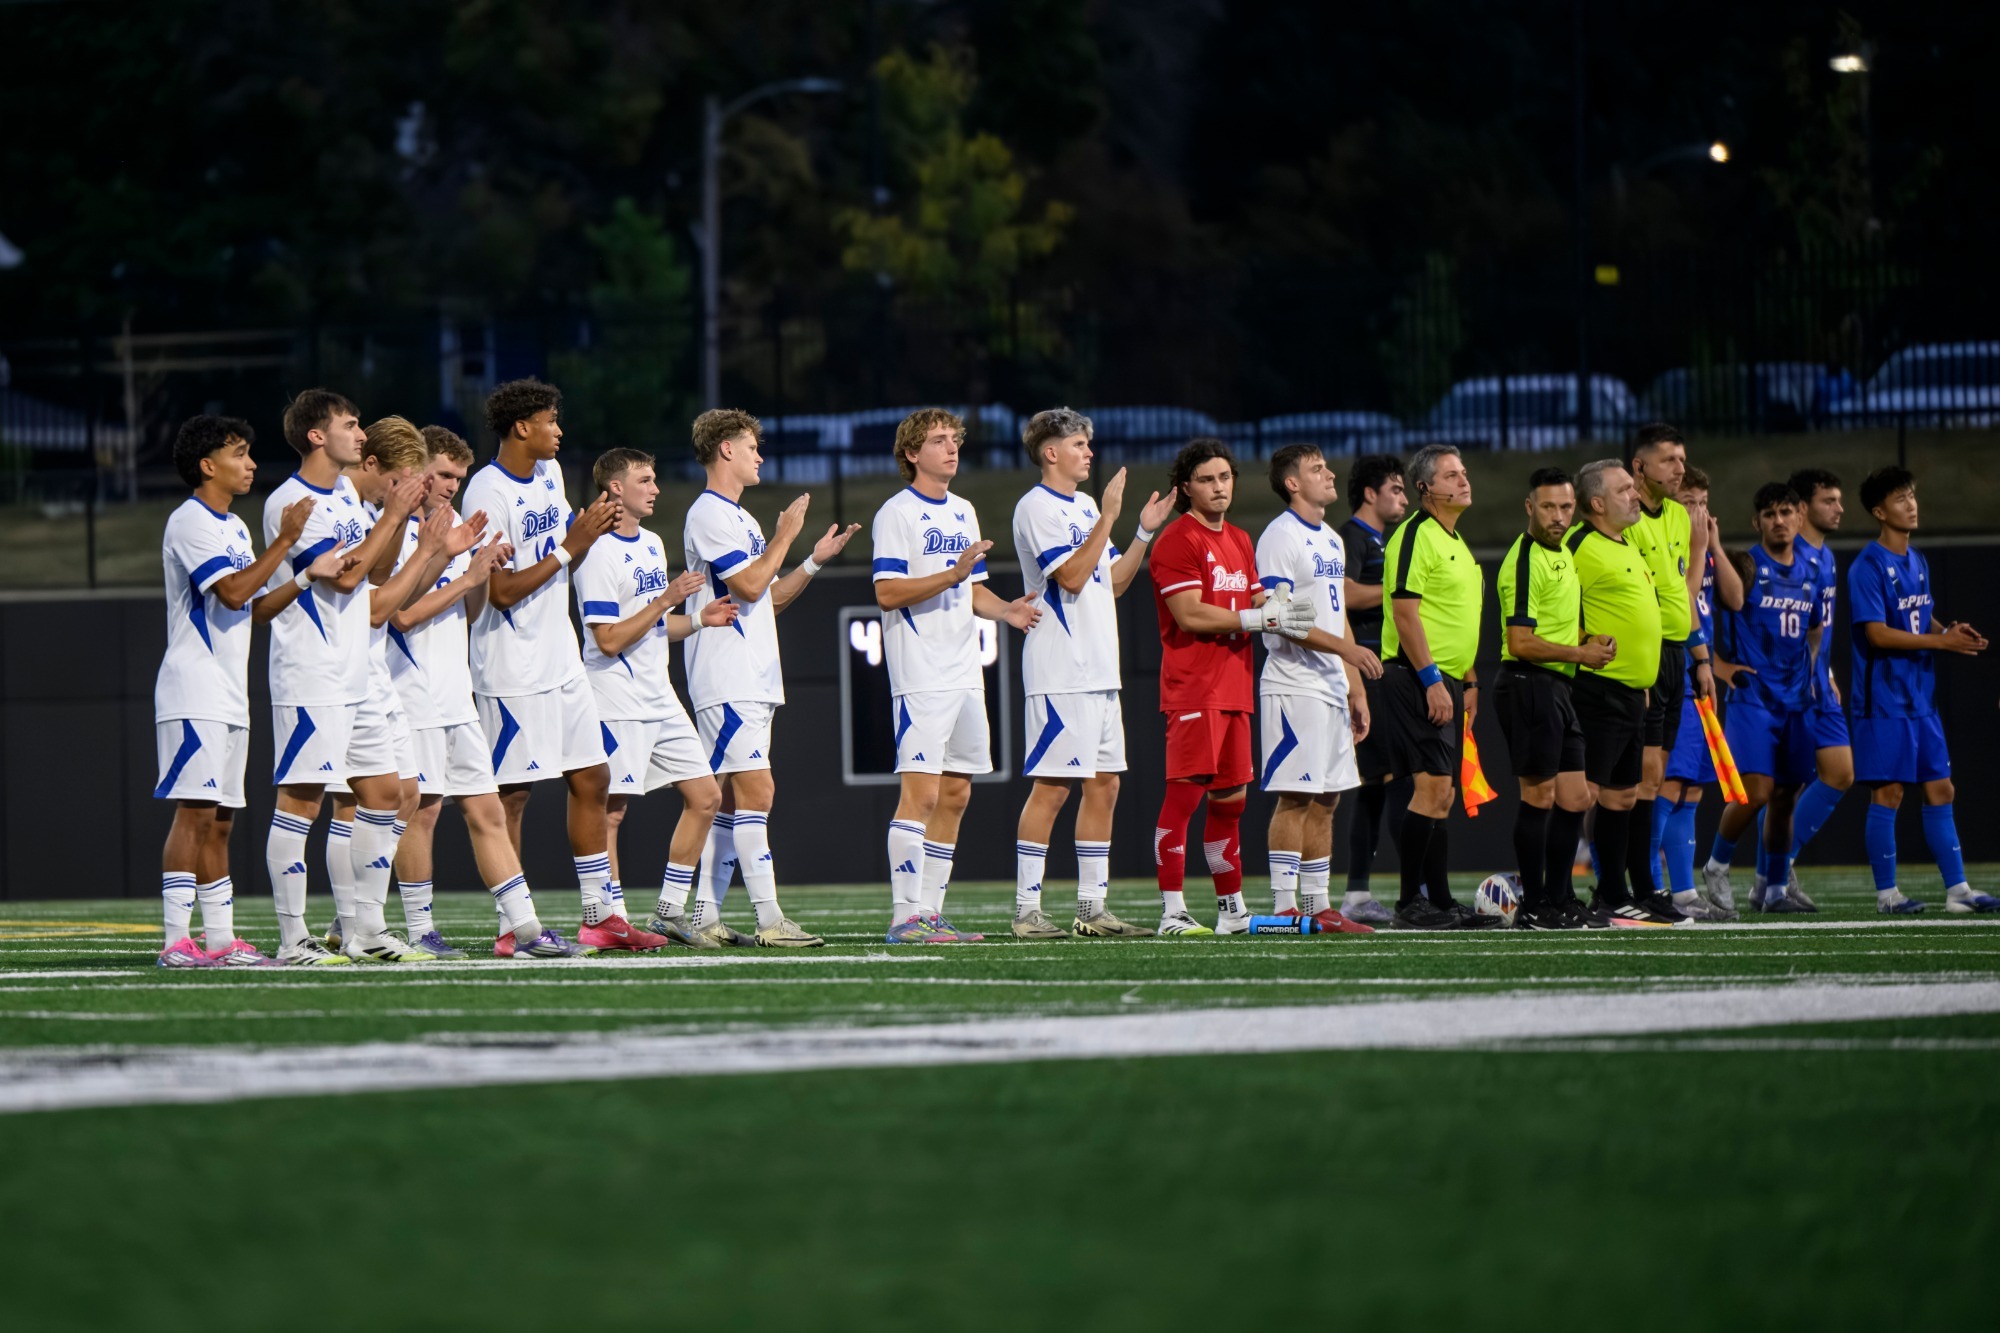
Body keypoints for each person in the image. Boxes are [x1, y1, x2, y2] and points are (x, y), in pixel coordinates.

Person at [460, 379, 667, 952]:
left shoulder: (549, 476)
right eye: (551, 420)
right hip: (509, 663)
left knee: (593, 777)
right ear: (522, 426)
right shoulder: (486, 490)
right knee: (515, 794)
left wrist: (582, 540)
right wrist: (572, 546)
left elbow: (561, 556)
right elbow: (498, 590)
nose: (560, 430)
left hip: (560, 656)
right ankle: (513, 926)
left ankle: (601, 916)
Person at [153, 415, 350, 967]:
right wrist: (287, 540)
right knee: (193, 814)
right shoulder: (189, 522)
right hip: (193, 691)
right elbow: (237, 593)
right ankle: (174, 941)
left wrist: (309, 575)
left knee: (220, 820)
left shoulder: (236, 529)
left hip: (227, 695)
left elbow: (259, 607)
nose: (251, 464)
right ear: (207, 465)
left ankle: (219, 941)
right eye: (239, 454)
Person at [388, 426, 585, 959]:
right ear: (416, 472)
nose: (451, 486)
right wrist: (466, 575)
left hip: (455, 689)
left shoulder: (454, 525)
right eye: (442, 474)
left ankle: (525, 929)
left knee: (487, 810)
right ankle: (416, 929)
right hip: (410, 690)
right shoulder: (400, 532)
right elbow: (400, 616)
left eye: (458, 476)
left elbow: (468, 613)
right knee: (420, 812)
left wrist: (480, 574)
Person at [256, 389, 426, 965]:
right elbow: (346, 580)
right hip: (313, 674)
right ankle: (293, 938)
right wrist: (397, 514)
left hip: (356, 675)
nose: (361, 434)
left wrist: (398, 522)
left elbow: (375, 568)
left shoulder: (349, 502)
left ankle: (367, 930)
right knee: (299, 802)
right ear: (316, 435)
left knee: (386, 794)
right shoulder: (294, 501)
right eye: (350, 425)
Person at [682, 408, 860, 947]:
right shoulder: (709, 513)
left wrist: (811, 560)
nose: (760, 455)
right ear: (726, 450)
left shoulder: (742, 519)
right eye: (753, 445)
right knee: (757, 790)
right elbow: (752, 587)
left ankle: (703, 916)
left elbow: (767, 599)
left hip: (752, 677)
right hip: (726, 675)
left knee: (730, 801)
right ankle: (769, 918)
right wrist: (785, 536)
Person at [872, 409, 1042, 943]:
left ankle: (930, 913)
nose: (951, 449)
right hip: (922, 675)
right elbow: (886, 592)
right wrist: (951, 574)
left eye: (954, 440)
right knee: (919, 797)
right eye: (938, 441)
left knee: (956, 795)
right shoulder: (895, 513)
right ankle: (904, 918)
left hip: (967, 672)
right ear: (911, 454)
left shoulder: (964, 510)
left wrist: (1008, 611)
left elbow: (972, 590)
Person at [322, 416, 489, 959]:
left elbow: (385, 594)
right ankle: (348, 925)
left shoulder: (380, 514)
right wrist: (436, 553)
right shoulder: (348, 509)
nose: (437, 488)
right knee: (330, 805)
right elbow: (385, 609)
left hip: (382, 678)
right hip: (348, 675)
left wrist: (451, 558)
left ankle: (354, 924)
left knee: (400, 797)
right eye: (428, 476)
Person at [1009, 408, 1172, 939]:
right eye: (1078, 443)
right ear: (1050, 452)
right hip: (1062, 671)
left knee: (1104, 786)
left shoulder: (1082, 506)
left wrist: (1142, 532)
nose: (1088, 452)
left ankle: (1091, 909)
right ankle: (1026, 911)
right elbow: (1074, 579)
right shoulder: (1037, 507)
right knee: (1053, 789)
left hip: (1100, 671)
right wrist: (1107, 517)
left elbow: (1115, 581)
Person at [572, 448, 740, 947]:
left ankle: (668, 910)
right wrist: (667, 600)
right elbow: (607, 639)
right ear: (616, 489)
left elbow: (653, 627)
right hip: (614, 696)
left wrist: (695, 620)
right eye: (645, 480)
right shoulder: (597, 552)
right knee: (611, 810)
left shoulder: (650, 543)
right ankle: (608, 917)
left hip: (658, 696)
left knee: (706, 796)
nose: (656, 488)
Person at [1149, 438, 1312, 936]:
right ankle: (1172, 912)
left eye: (1224, 477)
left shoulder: (1241, 539)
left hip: (1235, 685)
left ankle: (1231, 910)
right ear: (1186, 489)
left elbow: (1252, 597)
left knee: (1231, 803)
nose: (1218, 487)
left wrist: (1275, 600)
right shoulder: (1178, 540)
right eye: (1206, 480)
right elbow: (1191, 613)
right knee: (1184, 800)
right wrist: (1255, 616)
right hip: (1195, 686)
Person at [1846, 466, 1997, 914]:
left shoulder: (1919, 560)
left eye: (1911, 495)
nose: (1911, 504)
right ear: (1879, 512)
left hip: (1920, 700)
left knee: (1942, 789)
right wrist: (1940, 641)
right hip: (1883, 701)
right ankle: (1887, 895)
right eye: (1899, 499)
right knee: (1888, 792)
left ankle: (1959, 892)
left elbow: (1918, 619)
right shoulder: (1866, 566)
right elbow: (1877, 634)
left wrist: (1948, 629)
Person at [1255, 444, 1379, 934]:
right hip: (1293, 683)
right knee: (1296, 797)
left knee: (1328, 798)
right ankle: (1286, 906)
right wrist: (1347, 654)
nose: (1330, 475)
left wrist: (1356, 690)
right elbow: (1278, 616)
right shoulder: (1279, 536)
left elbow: (1337, 615)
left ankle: (1316, 904)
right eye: (1317, 469)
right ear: (1292, 483)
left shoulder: (1330, 537)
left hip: (1329, 685)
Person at [1492, 467, 1613, 929]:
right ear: (1530, 507)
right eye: (1549, 507)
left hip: (1558, 686)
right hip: (1528, 684)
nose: (1560, 516)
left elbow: (1554, 630)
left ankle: (1561, 898)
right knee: (1539, 796)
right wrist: (1580, 651)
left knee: (1576, 796)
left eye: (1566, 507)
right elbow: (1521, 641)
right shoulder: (1523, 560)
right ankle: (1536, 904)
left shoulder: (1561, 552)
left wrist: (1588, 638)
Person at [1378, 443, 1493, 930]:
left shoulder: (1458, 543)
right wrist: (1431, 681)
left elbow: (1457, 621)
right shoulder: (1415, 536)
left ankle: (1441, 901)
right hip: (1413, 674)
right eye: (1450, 475)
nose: (1463, 480)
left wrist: (1467, 680)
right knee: (1431, 788)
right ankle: (1410, 904)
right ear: (1425, 489)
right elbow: (1406, 615)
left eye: (1463, 472)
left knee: (1442, 794)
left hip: (1446, 678)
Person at [1566, 460, 1681, 926]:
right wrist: (1578, 645)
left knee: (1623, 796)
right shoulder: (1577, 545)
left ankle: (1614, 893)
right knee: (1584, 793)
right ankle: (1553, 892)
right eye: (1625, 489)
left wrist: (1644, 679)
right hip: (1597, 688)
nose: (1636, 495)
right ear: (1597, 503)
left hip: (1635, 691)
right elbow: (1551, 604)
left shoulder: (1626, 543)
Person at [1701, 484, 1823, 914]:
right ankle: (1716, 865)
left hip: (1796, 700)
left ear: (1798, 517)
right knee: (1754, 792)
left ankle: (1772, 890)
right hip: (1753, 698)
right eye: (1769, 513)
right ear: (1757, 522)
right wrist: (1718, 665)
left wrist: (1812, 670)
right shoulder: (1744, 564)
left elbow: (1814, 627)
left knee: (1787, 796)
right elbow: (1698, 615)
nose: (1778, 520)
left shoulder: (1813, 568)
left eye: (1786, 511)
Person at [1624, 425, 1715, 911]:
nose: (1680, 469)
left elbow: (1684, 594)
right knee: (1626, 778)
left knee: (1657, 774)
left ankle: (1646, 887)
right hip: (1638, 654)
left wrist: (1700, 656)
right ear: (1640, 467)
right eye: (1669, 461)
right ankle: (1619, 884)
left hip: (1673, 654)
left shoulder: (1679, 516)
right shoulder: (1624, 518)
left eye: (1682, 459)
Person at [1765, 466, 1853, 908]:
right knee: (1786, 787)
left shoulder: (1826, 556)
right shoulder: (1787, 553)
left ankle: (1775, 870)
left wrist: (1831, 675)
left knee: (1839, 773)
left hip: (1820, 685)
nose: (1839, 508)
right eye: (1829, 501)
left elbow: (1817, 627)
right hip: (1792, 691)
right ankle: (1771, 876)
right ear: (1802, 509)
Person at [1661, 467, 1746, 919]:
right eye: (1688, 501)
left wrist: (1710, 545)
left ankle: (1683, 892)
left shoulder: (1701, 550)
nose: (1697, 511)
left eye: (1702, 502)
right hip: (1677, 670)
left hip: (1702, 676)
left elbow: (1735, 598)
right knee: (1666, 783)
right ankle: (1657, 891)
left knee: (1692, 787)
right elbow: (1682, 602)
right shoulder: (1673, 549)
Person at [1337, 454, 1409, 923]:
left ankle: (1365, 893)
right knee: (1381, 783)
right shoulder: (1352, 537)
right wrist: (1402, 591)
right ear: (1370, 493)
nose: (1403, 497)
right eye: (1396, 489)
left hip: (1387, 669)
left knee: (1383, 784)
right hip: (1365, 668)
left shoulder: (1389, 539)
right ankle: (1364, 893)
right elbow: (1341, 593)